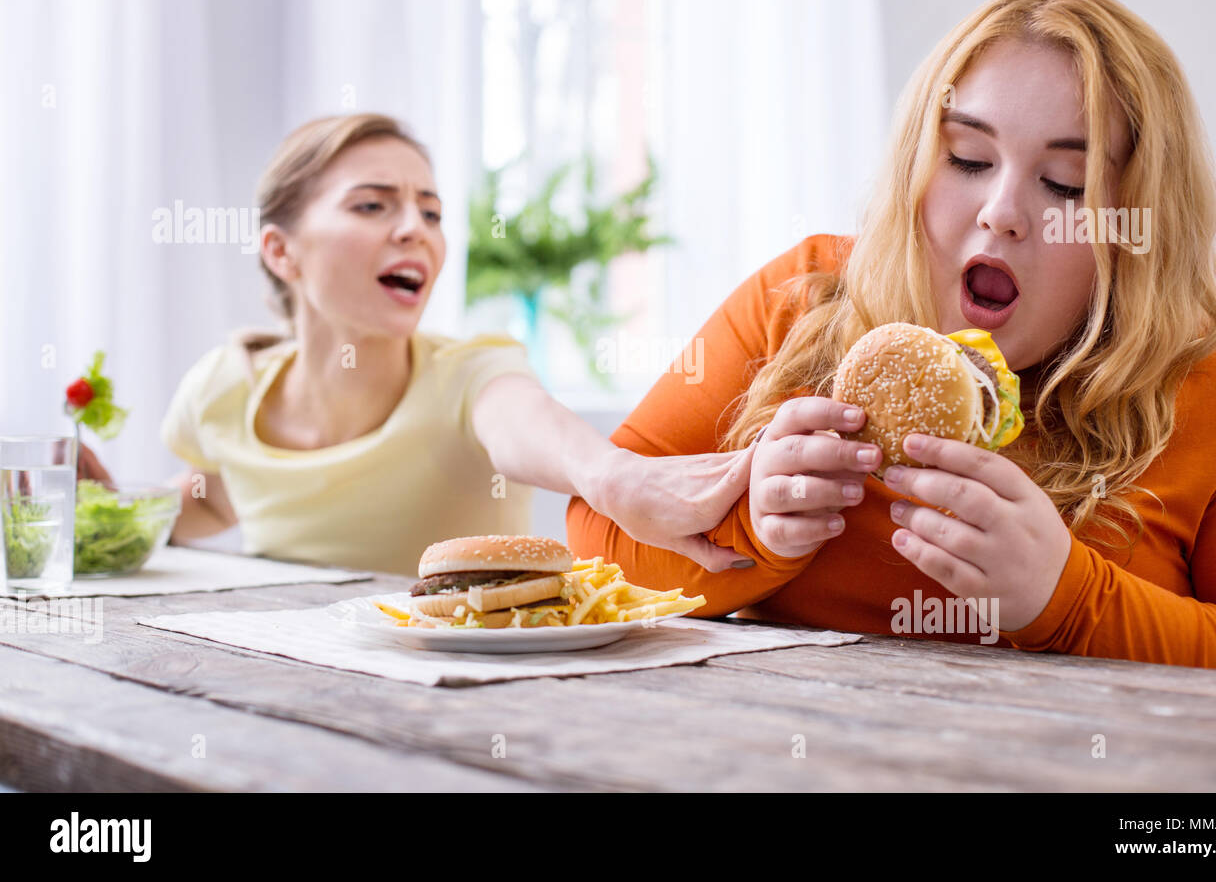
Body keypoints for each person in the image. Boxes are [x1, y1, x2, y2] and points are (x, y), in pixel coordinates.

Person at [567, 0, 1216, 674]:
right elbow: (596, 542)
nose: (1001, 211)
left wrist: (1070, 601)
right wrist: (750, 533)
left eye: (1067, 184)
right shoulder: (798, 304)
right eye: (968, 159)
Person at [84, 114, 754, 574]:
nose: (416, 230)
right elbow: (218, 496)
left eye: (430, 211)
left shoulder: (471, 373)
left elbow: (524, 424)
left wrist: (613, 477)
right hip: (289, 691)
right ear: (281, 252)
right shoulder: (224, 385)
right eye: (372, 205)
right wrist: (106, 516)